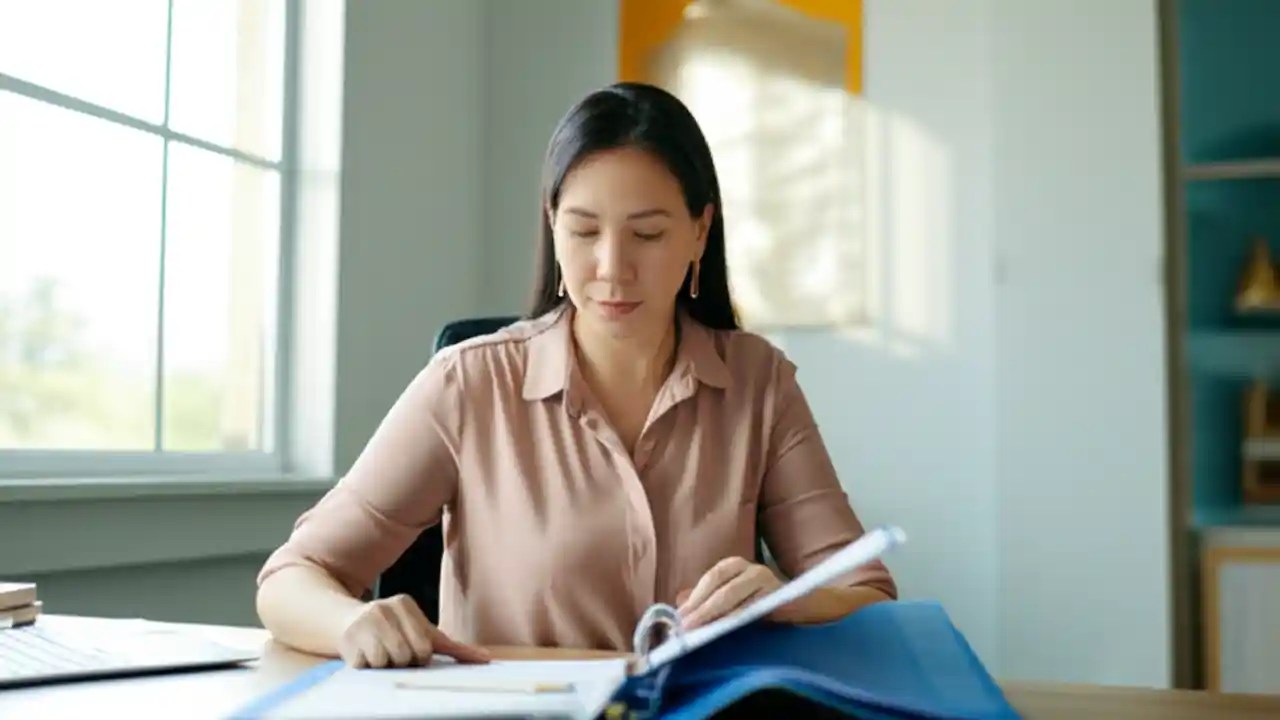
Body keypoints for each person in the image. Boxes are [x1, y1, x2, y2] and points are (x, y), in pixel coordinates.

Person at [255, 82, 896, 669]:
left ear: (700, 232)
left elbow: (866, 594)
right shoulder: (469, 384)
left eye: (647, 234)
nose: (612, 268)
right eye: (584, 230)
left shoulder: (759, 384)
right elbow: (292, 576)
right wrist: (353, 622)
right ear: (552, 224)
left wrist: (783, 600)